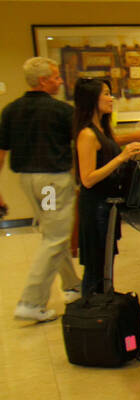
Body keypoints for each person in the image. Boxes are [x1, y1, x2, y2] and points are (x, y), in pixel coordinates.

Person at [0, 57, 83, 321]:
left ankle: (72, 287)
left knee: (52, 233)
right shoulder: (60, 111)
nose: (60, 81)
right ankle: (31, 302)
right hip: (51, 184)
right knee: (55, 238)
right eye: (57, 77)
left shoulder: (10, 110)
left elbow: (0, 153)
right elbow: (87, 140)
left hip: (28, 181)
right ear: (44, 80)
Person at [73, 78, 140, 298]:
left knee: (104, 264)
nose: (111, 98)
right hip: (95, 208)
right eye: (105, 93)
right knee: (95, 267)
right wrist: (122, 157)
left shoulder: (102, 129)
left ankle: (104, 305)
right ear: (92, 98)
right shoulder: (87, 134)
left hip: (106, 205)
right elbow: (88, 179)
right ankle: (93, 312)